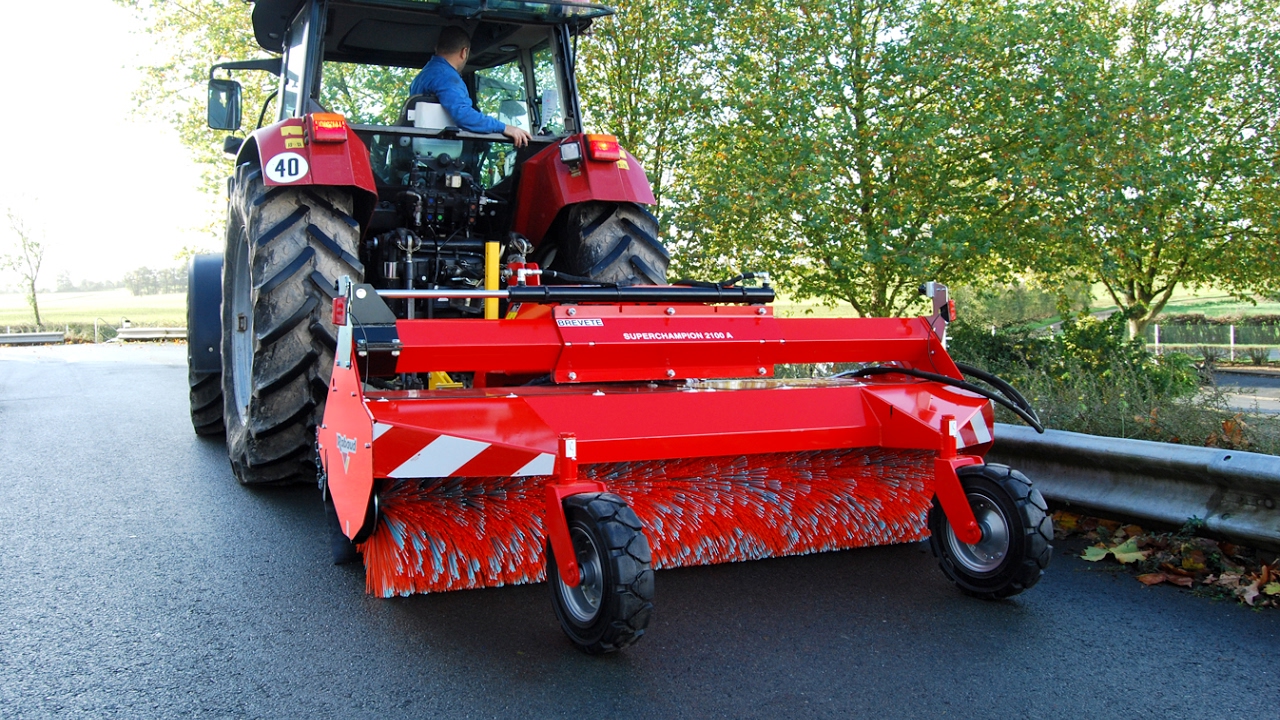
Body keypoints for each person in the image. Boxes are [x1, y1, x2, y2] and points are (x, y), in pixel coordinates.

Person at [410, 26, 532, 148]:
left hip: (422, 147)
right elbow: (463, 114)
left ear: (437, 48)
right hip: (437, 149)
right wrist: (504, 127)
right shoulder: (447, 77)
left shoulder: (422, 76)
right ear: (464, 52)